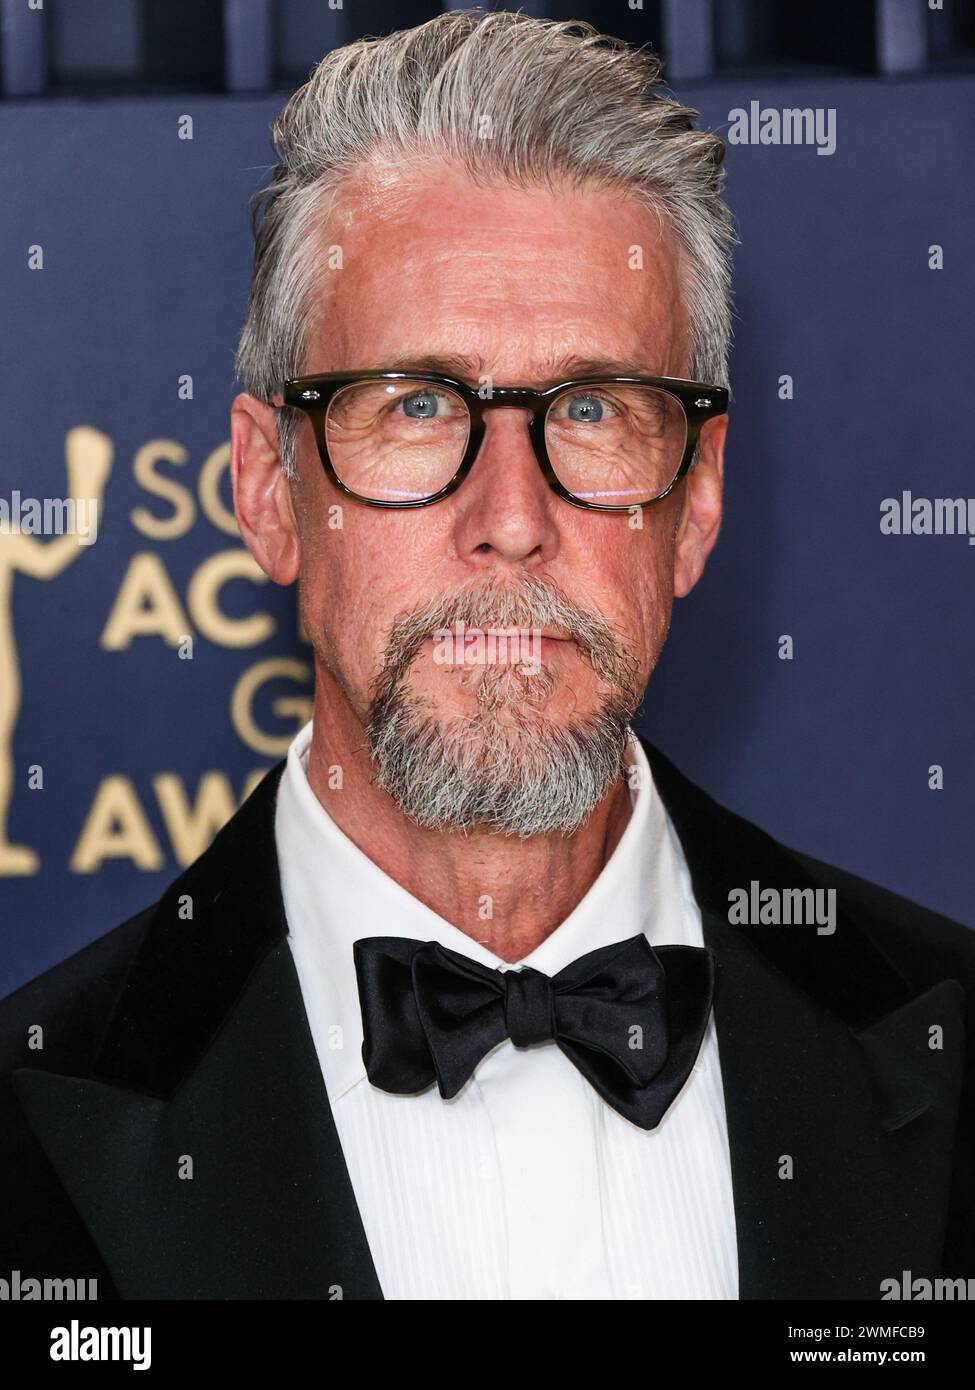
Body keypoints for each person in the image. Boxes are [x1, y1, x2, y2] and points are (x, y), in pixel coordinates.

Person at [1, 10, 972, 1302]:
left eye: (590, 410)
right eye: (415, 405)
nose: (511, 518)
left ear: (696, 503)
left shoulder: (946, 1036)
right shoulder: (30, 1124)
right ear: (268, 488)